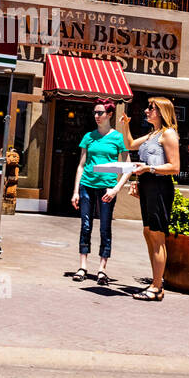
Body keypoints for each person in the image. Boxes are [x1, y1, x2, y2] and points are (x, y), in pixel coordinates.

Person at [119, 96, 181, 301]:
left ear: (162, 112)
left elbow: (175, 167)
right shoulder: (151, 135)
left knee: (157, 236)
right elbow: (129, 144)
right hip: (148, 186)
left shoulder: (168, 134)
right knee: (149, 233)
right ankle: (156, 281)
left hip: (160, 187)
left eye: (151, 108)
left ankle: (157, 287)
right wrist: (126, 125)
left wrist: (150, 168)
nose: (146, 111)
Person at [70, 98, 127, 285]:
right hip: (87, 185)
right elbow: (81, 165)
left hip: (107, 188)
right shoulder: (88, 136)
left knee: (105, 228)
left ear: (109, 114)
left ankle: (102, 269)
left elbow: (127, 166)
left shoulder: (118, 138)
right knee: (85, 226)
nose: (96, 116)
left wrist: (116, 189)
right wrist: (76, 191)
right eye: (95, 112)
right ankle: (83, 266)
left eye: (100, 112)